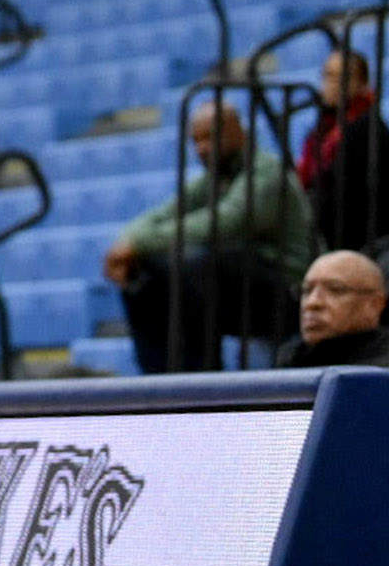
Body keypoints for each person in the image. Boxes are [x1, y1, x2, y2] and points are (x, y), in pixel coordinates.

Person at [105, 102, 317, 373]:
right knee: (143, 274)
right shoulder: (216, 177)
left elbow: (226, 221)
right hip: (244, 287)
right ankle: (160, 381)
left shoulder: (266, 171)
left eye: (210, 137)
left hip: (289, 287)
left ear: (237, 131)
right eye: (196, 140)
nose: (201, 148)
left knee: (198, 267)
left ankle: (203, 380)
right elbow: (165, 212)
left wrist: (137, 243)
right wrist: (127, 241)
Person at [298, 50, 389, 252]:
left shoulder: (367, 130)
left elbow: (347, 200)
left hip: (358, 243)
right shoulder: (323, 128)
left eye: (342, 77)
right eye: (328, 76)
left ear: (362, 83)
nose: (332, 84)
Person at [277, 250, 389, 367]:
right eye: (307, 290)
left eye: (335, 290)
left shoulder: (381, 370)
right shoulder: (290, 359)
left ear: (374, 304)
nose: (312, 302)